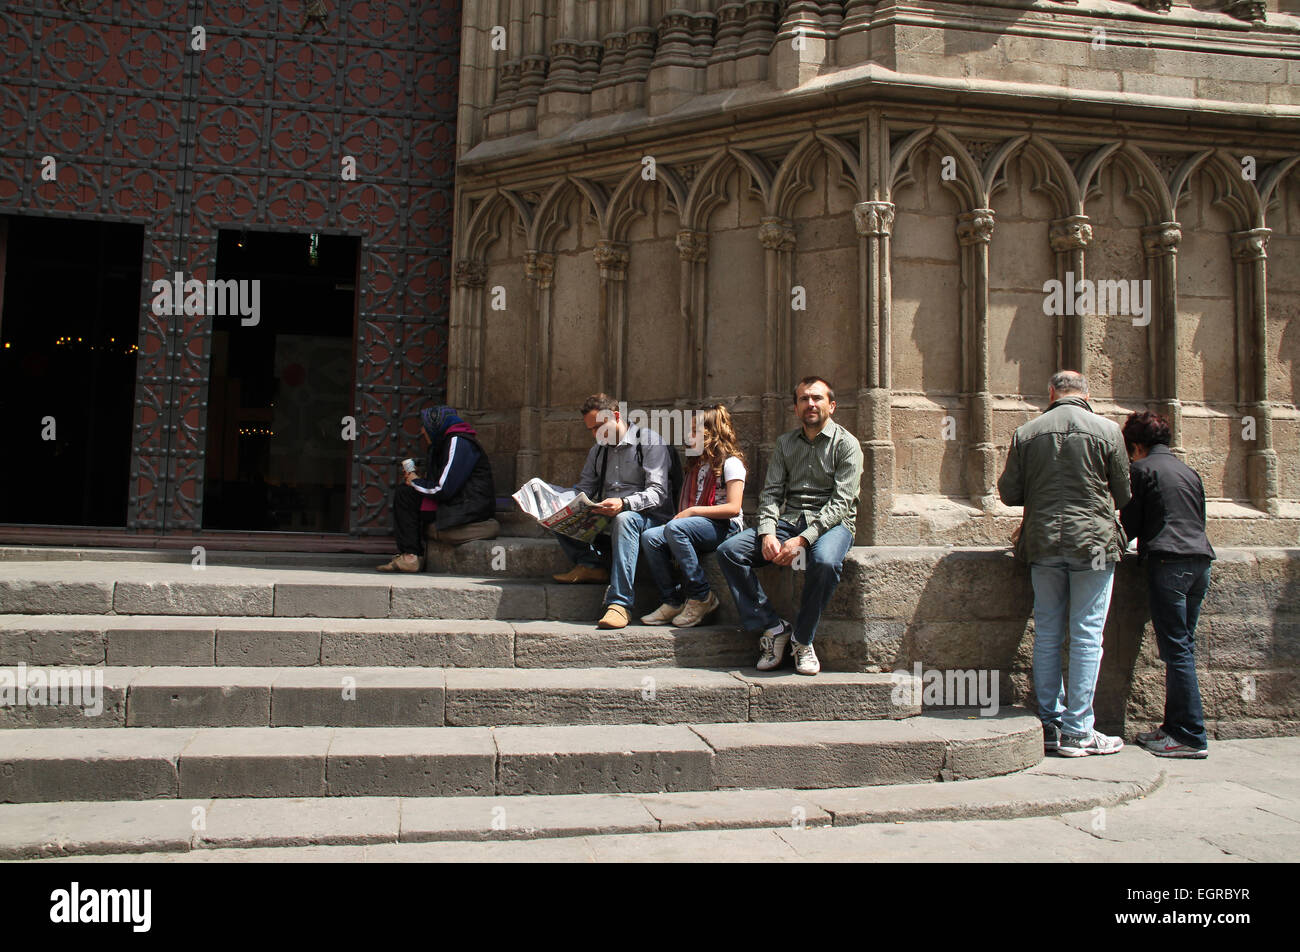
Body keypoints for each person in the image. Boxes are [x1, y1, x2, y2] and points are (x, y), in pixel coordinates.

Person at [998, 371, 1131, 757]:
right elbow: (1123, 494)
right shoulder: (1107, 430)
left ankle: (1050, 725)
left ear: (1051, 392)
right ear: (1087, 395)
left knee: (1048, 631)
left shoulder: (1028, 432)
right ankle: (1079, 731)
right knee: (1087, 634)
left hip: (1042, 542)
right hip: (1093, 543)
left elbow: (1009, 493)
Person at [716, 376, 863, 676]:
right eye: (804, 399)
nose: (811, 403)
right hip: (789, 520)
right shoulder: (785, 444)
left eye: (817, 398)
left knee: (823, 562)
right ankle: (772, 626)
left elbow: (841, 503)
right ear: (795, 408)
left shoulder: (847, 445)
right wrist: (767, 531)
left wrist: (803, 541)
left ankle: (802, 639)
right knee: (730, 550)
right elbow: (771, 494)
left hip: (832, 524)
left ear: (831, 406)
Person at [1119, 411, 1215, 759]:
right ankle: (1175, 729)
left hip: (1169, 563)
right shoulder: (1188, 471)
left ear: (1136, 446)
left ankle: (1190, 734)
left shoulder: (1141, 471)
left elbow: (1129, 523)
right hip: (1199, 561)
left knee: (1177, 650)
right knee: (1183, 648)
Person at [551, 393, 673, 630]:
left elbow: (658, 493)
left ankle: (620, 604)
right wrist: (554, 501)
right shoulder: (598, 451)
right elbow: (583, 489)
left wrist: (624, 504)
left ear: (616, 417)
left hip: (648, 517)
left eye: (599, 426)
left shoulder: (649, 441)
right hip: (609, 513)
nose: (595, 434)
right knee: (562, 511)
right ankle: (590, 565)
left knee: (625, 519)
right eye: (591, 429)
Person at [639, 405, 747, 628]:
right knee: (650, 537)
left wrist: (692, 512)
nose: (689, 436)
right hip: (697, 525)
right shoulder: (696, 466)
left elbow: (734, 508)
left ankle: (701, 596)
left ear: (712, 433)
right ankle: (672, 600)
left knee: (675, 528)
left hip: (726, 526)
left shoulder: (731, 463)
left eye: (695, 431)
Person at [377, 406, 498, 572]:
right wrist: (418, 482)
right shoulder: (444, 443)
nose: (422, 431)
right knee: (407, 494)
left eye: (424, 426)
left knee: (406, 495)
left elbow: (443, 489)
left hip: (467, 508)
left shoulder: (459, 441)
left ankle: (410, 557)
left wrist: (415, 482)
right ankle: (411, 555)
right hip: (457, 503)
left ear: (435, 425)